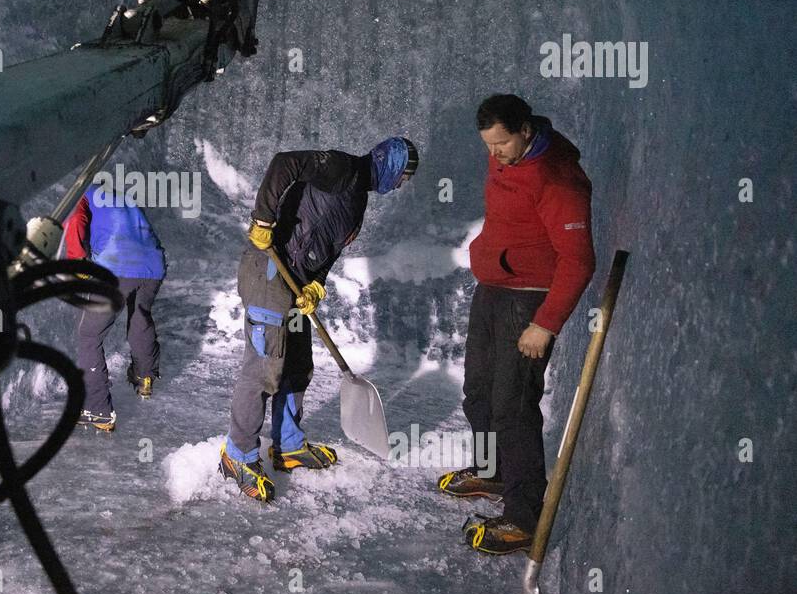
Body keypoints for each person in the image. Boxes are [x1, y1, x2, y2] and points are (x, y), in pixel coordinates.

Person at [219, 137, 419, 502]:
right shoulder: (344, 168)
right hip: (269, 269)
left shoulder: (357, 199)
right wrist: (263, 216)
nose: (401, 185)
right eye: (404, 176)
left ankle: (288, 444)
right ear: (392, 164)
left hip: (294, 281)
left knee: (297, 365)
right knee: (264, 368)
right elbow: (284, 163)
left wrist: (316, 286)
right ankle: (238, 454)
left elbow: (325, 251)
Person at [439, 94, 595, 554]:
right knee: (479, 392)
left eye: (501, 143)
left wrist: (545, 324)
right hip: (493, 289)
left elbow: (579, 260)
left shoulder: (558, 179)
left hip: (528, 301)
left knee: (513, 406)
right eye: (487, 145)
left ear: (526, 129)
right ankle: (492, 472)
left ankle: (524, 518)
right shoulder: (508, 155)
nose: (494, 154)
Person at [62, 183, 166, 432]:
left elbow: (75, 219)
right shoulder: (118, 195)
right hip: (153, 265)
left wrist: (76, 261)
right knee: (140, 316)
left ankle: (96, 409)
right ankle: (145, 376)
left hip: (117, 266)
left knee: (89, 335)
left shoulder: (82, 193)